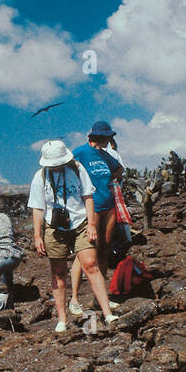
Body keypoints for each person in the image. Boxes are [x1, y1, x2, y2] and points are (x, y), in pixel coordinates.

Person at [28, 140, 119, 333]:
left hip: (79, 223)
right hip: (54, 227)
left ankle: (107, 312)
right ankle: (62, 319)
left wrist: (92, 224)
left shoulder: (77, 169)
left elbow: (88, 196)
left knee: (90, 265)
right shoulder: (40, 176)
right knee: (58, 273)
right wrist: (37, 235)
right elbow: (37, 207)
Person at [69, 122, 123, 317]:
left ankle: (100, 297)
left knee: (104, 249)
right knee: (83, 253)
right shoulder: (81, 152)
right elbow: (65, 169)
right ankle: (74, 299)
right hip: (90, 208)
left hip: (107, 204)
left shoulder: (104, 155)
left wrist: (110, 182)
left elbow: (119, 169)